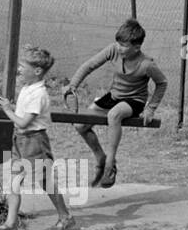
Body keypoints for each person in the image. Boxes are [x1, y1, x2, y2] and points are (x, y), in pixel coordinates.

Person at [64, 19, 166, 189]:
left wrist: (150, 108)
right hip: (114, 96)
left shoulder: (147, 64)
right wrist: (73, 84)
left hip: (135, 101)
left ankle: (110, 164)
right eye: (118, 43)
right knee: (80, 125)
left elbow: (162, 83)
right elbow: (89, 65)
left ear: (137, 47)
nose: (119, 48)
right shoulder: (113, 50)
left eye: (124, 45)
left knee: (114, 115)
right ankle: (100, 157)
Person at [0, 46, 77, 230]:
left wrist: (6, 110)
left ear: (37, 71)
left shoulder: (39, 94)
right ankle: (11, 224)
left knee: (45, 181)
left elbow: (23, 122)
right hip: (19, 140)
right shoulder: (28, 88)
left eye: (22, 66)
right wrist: (9, 105)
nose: (18, 69)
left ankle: (66, 218)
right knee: (14, 181)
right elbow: (21, 118)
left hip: (34, 141)